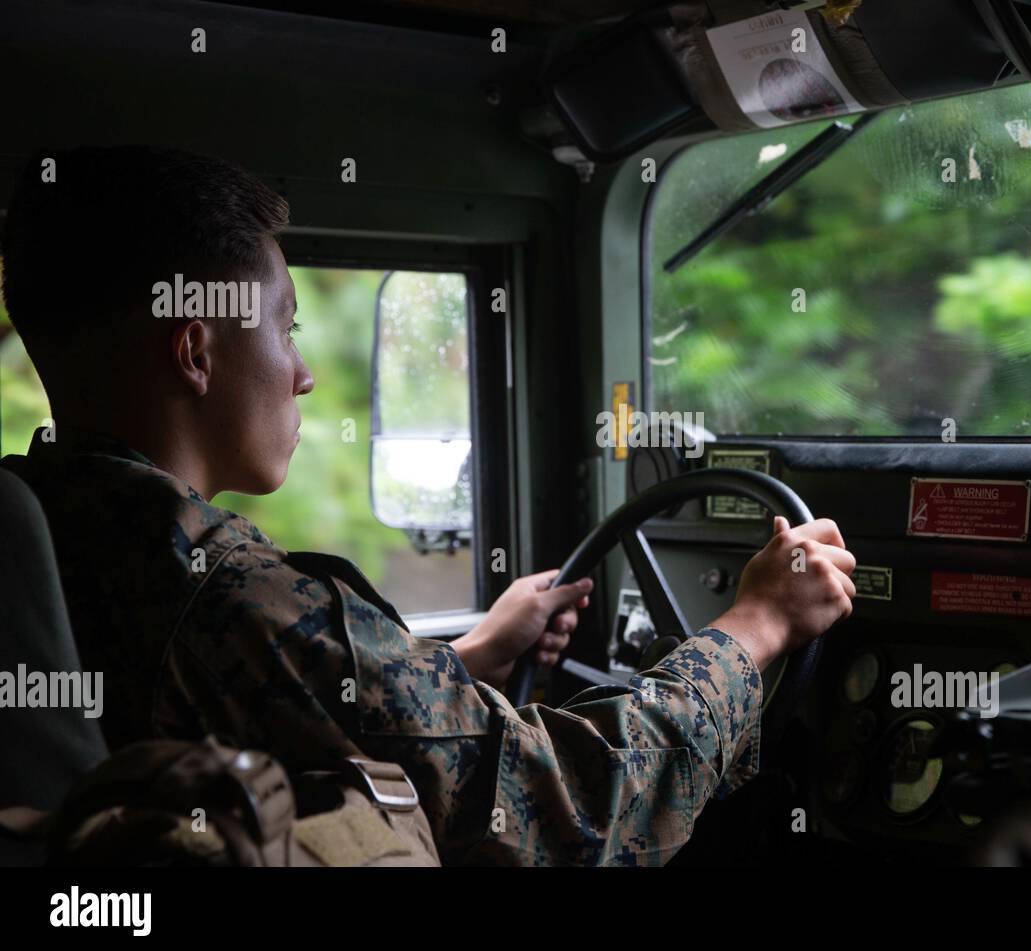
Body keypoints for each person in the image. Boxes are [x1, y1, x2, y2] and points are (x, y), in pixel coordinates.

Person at [0, 145, 858, 865]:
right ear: (196, 351)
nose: (302, 373)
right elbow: (574, 811)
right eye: (287, 328)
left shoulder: (34, 532)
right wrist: (759, 625)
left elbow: (287, 704)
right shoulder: (229, 599)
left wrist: (472, 655)